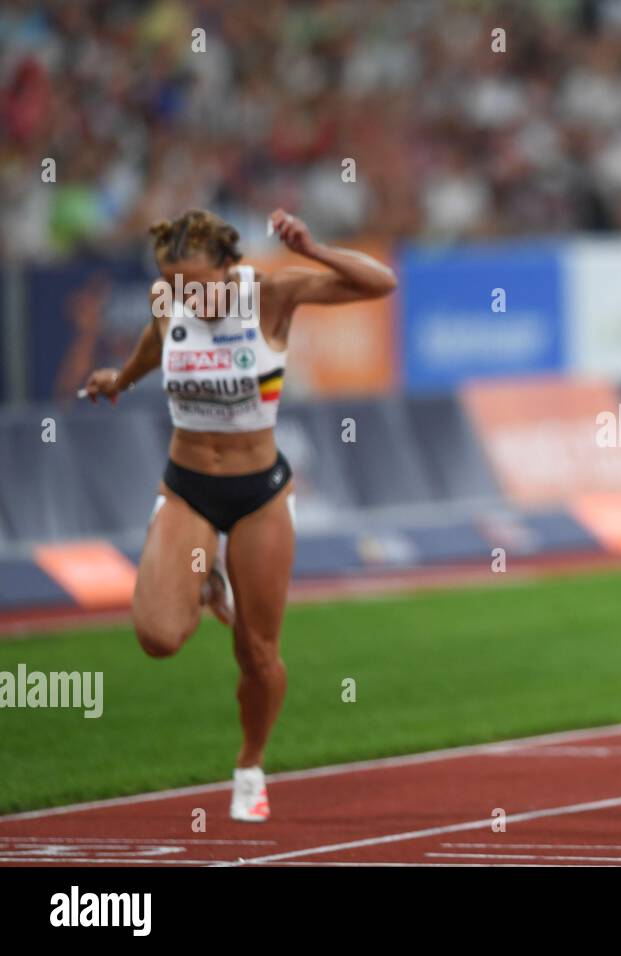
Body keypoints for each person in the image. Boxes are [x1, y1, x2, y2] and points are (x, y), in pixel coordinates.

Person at [82, 208, 396, 821]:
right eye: (175, 285)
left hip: (259, 495)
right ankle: (207, 576)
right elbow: (155, 341)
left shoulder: (270, 294)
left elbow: (379, 283)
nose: (187, 297)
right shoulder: (170, 300)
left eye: (198, 284)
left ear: (231, 268)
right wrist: (120, 379)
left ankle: (250, 765)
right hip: (189, 488)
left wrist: (313, 248)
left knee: (256, 652)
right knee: (157, 636)